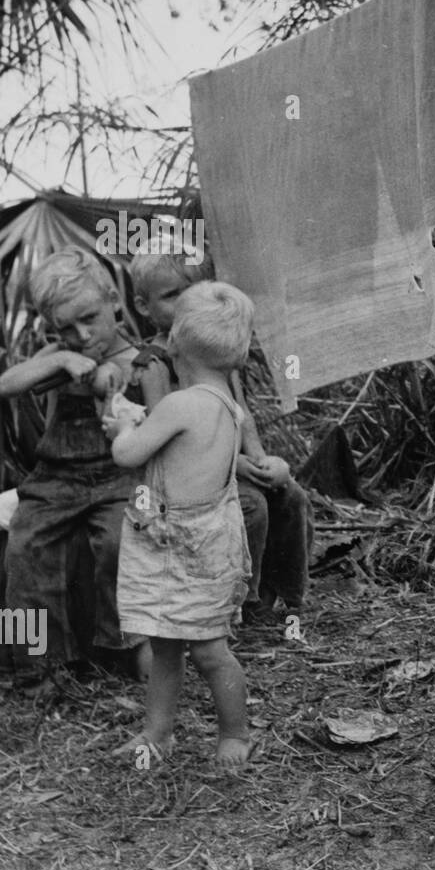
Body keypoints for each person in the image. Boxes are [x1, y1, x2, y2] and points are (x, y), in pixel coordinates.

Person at [104, 281, 255, 767]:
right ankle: (164, 733)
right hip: (210, 540)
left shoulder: (178, 404)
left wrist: (122, 425)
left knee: (196, 648)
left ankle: (233, 733)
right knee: (186, 643)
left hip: (181, 544)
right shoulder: (227, 406)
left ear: (172, 343)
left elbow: (128, 454)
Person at [129, 251, 314, 626]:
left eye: (194, 288)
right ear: (143, 306)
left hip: (228, 465)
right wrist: (237, 466)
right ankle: (239, 602)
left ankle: (284, 595)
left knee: (290, 495)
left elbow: (241, 415)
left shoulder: (212, 349)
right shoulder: (156, 362)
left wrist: (260, 460)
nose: (186, 301)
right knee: (251, 507)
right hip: (186, 477)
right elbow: (165, 442)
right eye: (171, 294)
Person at [0, 248, 150, 684]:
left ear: (113, 300)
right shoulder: (57, 356)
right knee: (24, 547)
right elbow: (4, 385)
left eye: (89, 318)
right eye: (65, 328)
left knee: (121, 544)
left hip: (119, 477)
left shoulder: (139, 359)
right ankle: (42, 664)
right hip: (55, 479)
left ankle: (120, 651)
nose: (81, 335)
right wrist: (61, 359)